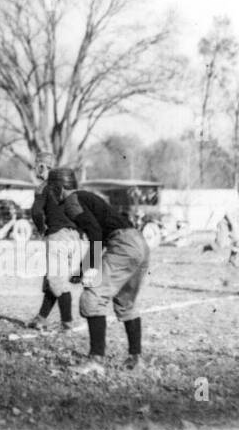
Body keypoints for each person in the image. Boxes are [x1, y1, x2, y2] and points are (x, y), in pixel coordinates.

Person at [56, 168, 151, 374]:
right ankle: (136, 359)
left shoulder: (71, 202)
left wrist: (85, 268)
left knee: (92, 295)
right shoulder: (84, 196)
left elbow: (96, 234)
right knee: (126, 303)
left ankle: (95, 360)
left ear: (59, 187)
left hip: (123, 244)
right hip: (138, 242)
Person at [26, 152, 78, 333]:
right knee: (54, 280)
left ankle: (67, 324)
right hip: (74, 237)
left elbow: (36, 213)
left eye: (36, 165)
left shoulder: (43, 187)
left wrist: (41, 229)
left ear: (42, 166)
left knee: (57, 282)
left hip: (57, 237)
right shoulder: (67, 185)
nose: (34, 170)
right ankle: (41, 318)